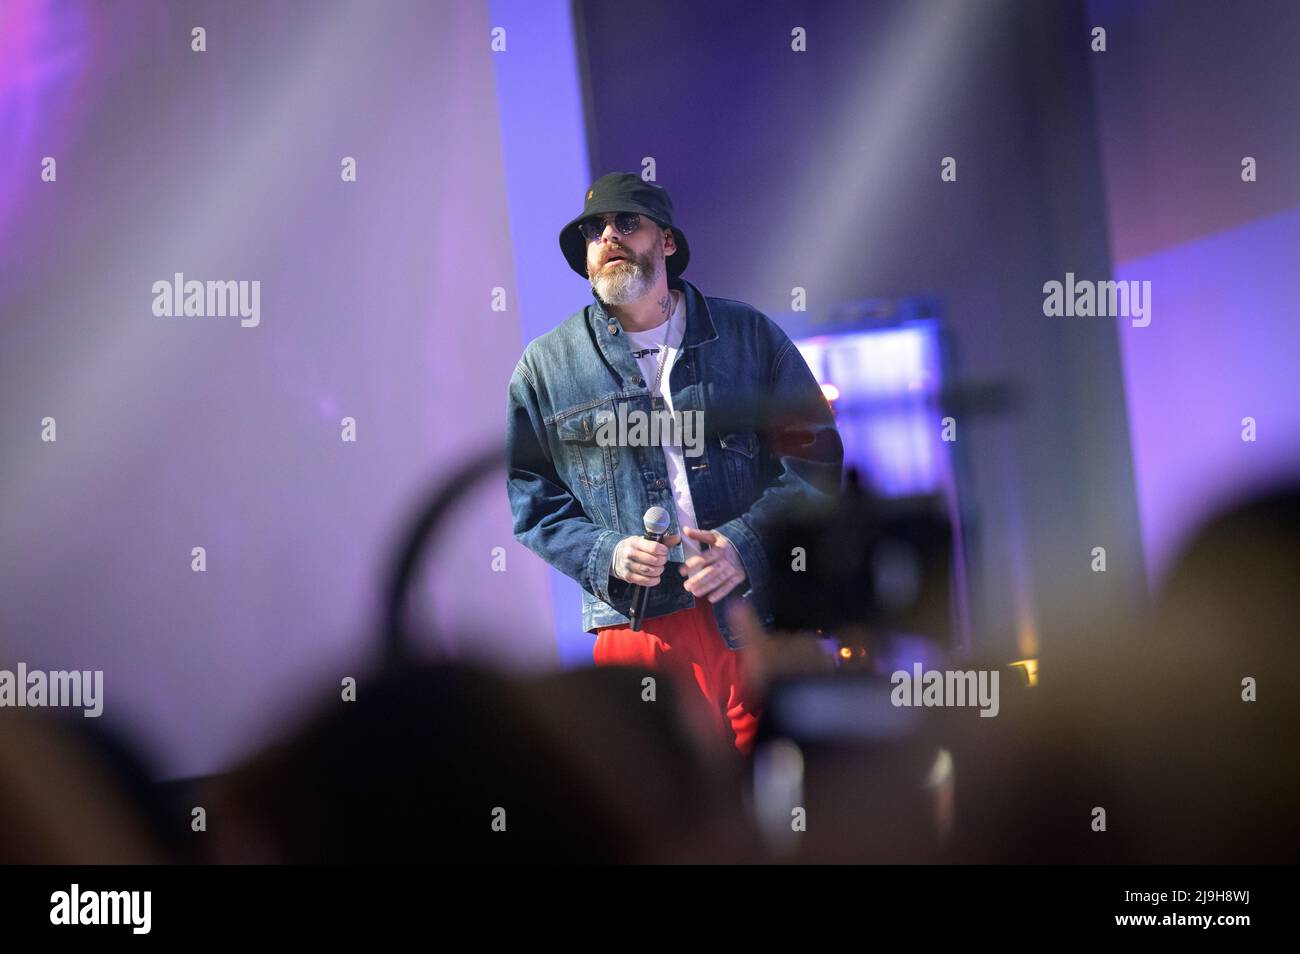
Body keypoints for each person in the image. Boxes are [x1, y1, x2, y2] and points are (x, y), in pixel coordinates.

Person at [506, 172, 842, 755]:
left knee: (787, 783)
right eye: (593, 230)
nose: (607, 236)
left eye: (626, 223)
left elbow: (814, 457)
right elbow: (532, 500)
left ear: (666, 241)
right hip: (636, 625)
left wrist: (746, 543)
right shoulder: (546, 368)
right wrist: (603, 552)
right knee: (662, 802)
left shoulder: (747, 336)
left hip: (754, 606)